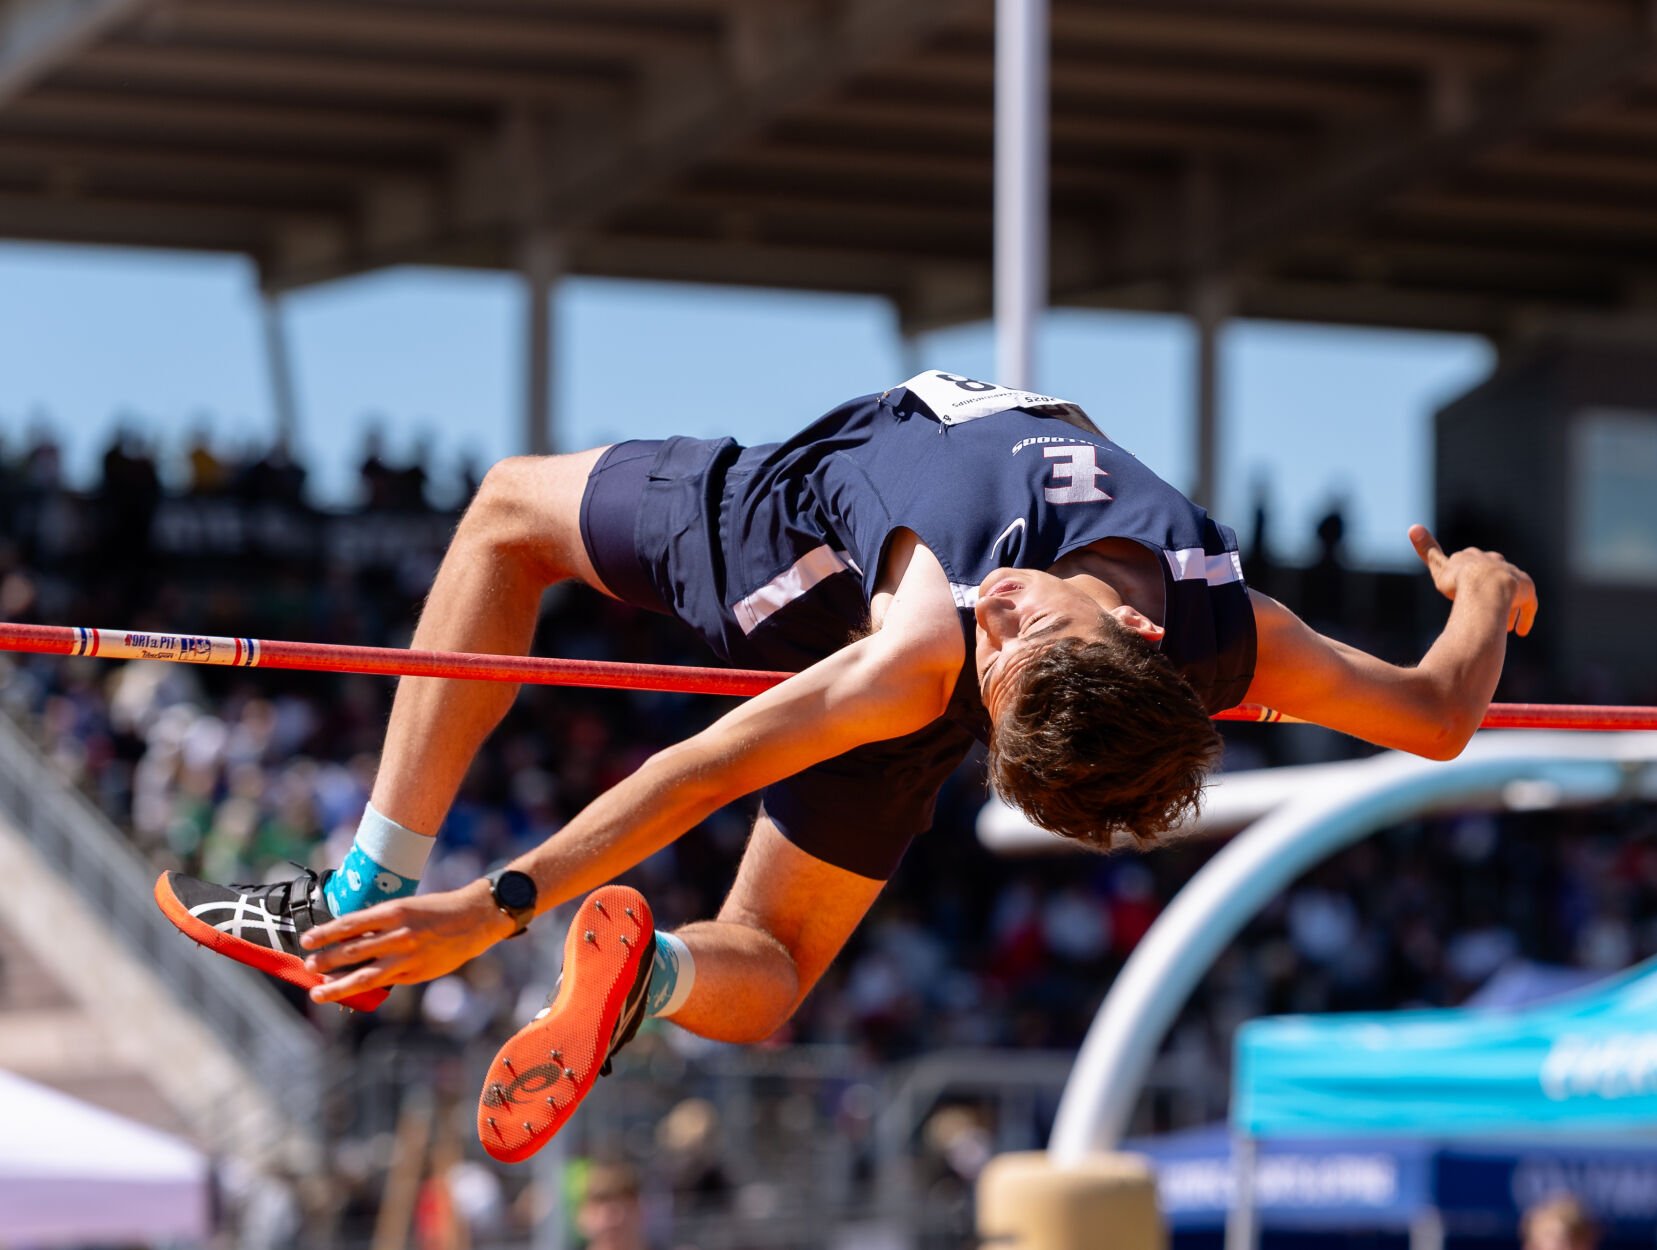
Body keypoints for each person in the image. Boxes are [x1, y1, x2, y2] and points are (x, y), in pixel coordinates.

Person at [155, 370, 1537, 1162]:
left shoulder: (931, 647)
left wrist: (485, 902)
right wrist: (1481, 594)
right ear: (1135, 632)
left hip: (820, 555)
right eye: (1016, 628)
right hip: (896, 611)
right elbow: (1431, 712)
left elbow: (701, 765)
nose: (997, 611)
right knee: (763, 963)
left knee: (508, 512)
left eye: (999, 647)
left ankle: (349, 883)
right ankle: (658, 976)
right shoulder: (1229, 637)